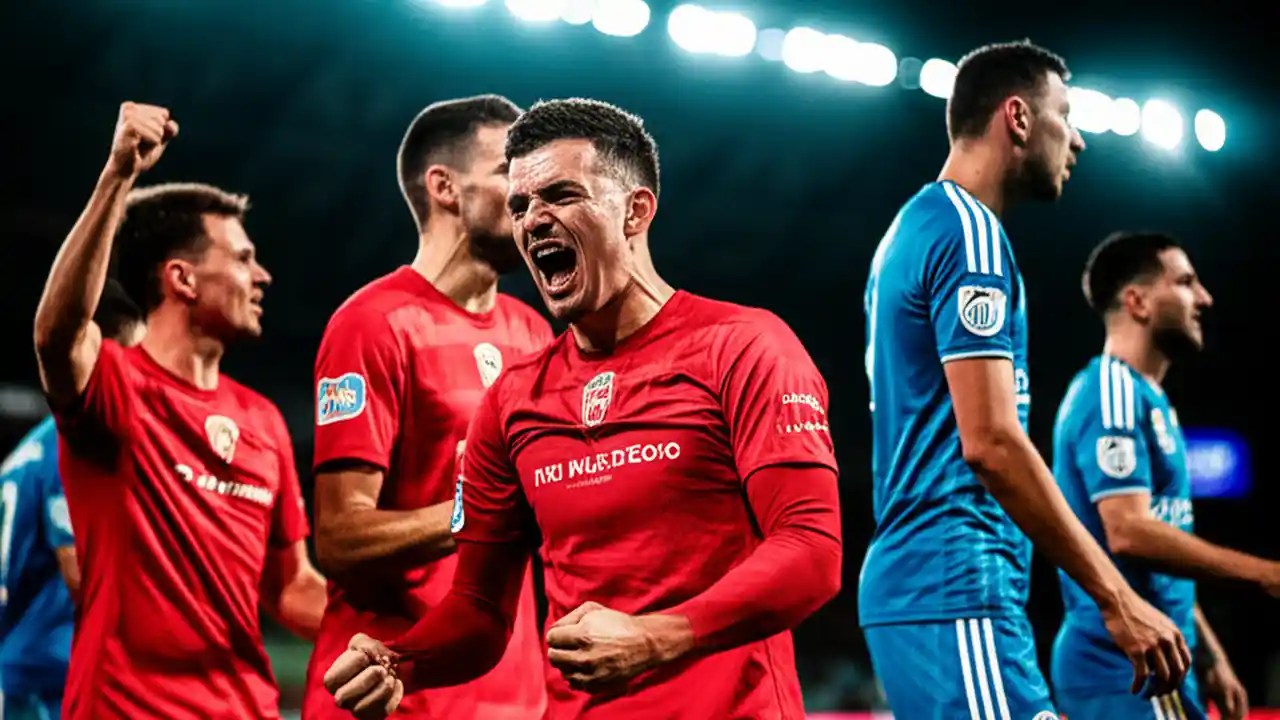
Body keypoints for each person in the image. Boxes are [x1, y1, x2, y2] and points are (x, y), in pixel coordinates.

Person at [321, 97, 843, 719]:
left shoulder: (745, 346)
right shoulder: (514, 397)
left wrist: (654, 638)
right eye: (519, 205)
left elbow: (812, 550)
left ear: (636, 210)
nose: (534, 220)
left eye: (561, 196)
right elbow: (479, 611)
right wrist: (400, 660)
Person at [859, 40, 1191, 718]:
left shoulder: (908, 231)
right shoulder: (968, 235)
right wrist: (1116, 597)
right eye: (1065, 115)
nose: (1078, 140)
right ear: (1017, 117)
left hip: (943, 589)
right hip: (955, 581)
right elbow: (993, 444)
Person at [32, 101, 327, 720]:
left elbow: (291, 587)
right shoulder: (114, 385)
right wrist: (117, 175)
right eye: (243, 259)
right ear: (182, 280)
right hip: (124, 708)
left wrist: (407, 638)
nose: (263, 275)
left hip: (246, 708)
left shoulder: (264, 419)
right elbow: (58, 334)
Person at [303, 94, 552, 720]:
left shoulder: (536, 335)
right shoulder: (374, 323)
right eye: (509, 174)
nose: (530, 197)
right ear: (443, 187)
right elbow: (338, 537)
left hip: (517, 698)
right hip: (391, 695)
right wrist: (485, 508)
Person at [1051, 231, 1275, 720]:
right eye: (1186, 282)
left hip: (1164, 663)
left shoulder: (1150, 401)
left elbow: (1159, 549)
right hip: (1120, 669)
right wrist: (1264, 575)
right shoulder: (1109, 391)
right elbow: (1128, 532)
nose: (1204, 298)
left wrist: (1209, 653)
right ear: (1138, 301)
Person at [0, 280, 143, 720]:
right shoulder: (76, 446)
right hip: (44, 673)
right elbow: (81, 571)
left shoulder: (37, 445)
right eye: (137, 357)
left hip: (22, 662)